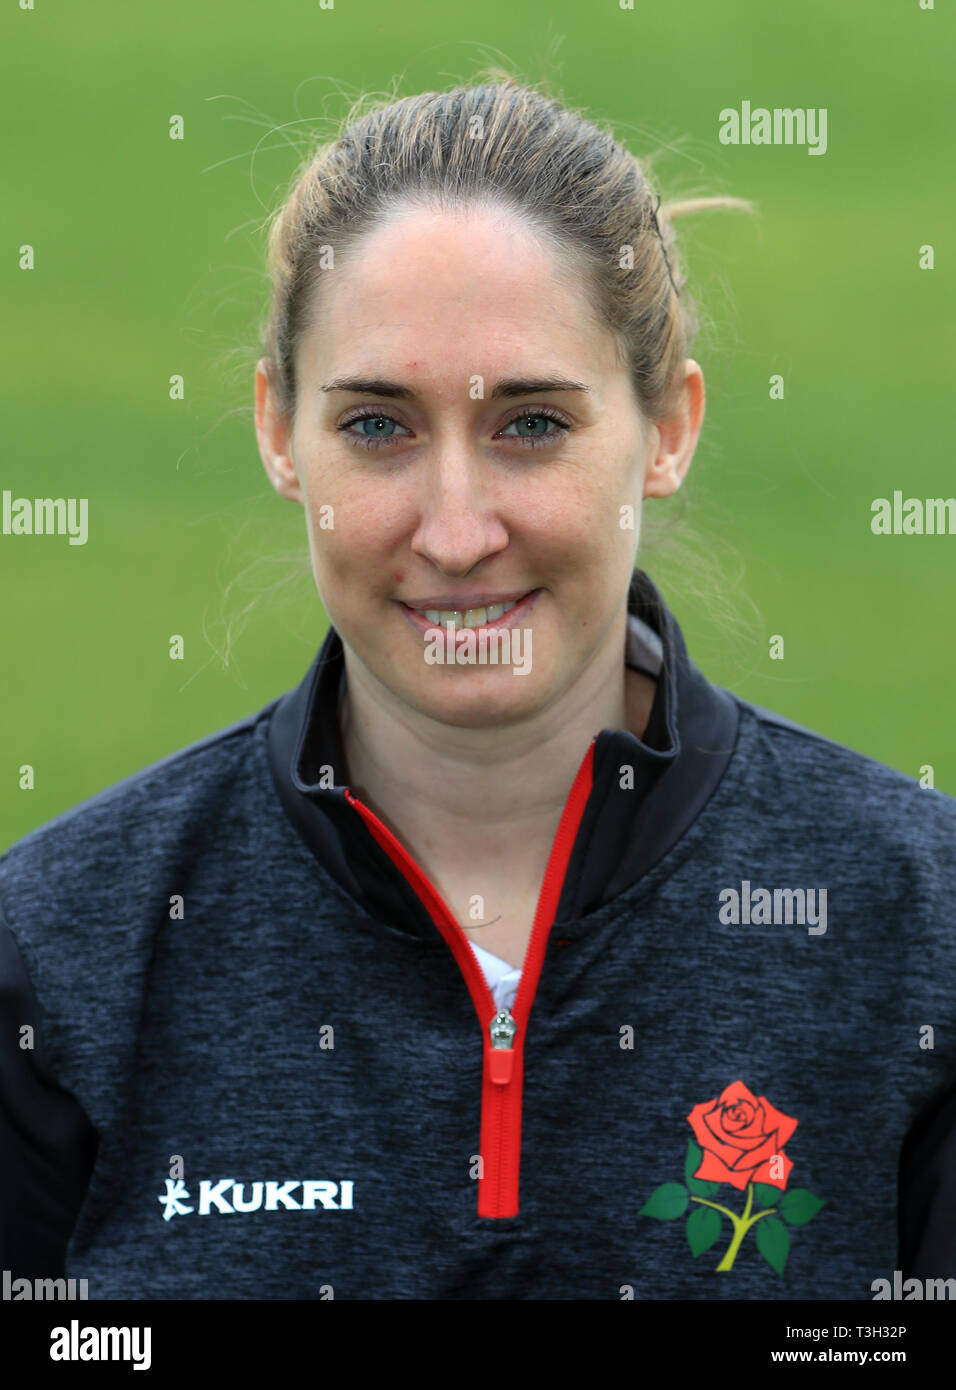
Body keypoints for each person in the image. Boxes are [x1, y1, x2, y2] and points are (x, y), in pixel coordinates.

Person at [1, 74, 954, 1301]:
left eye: (532, 425)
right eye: (379, 428)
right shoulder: (59, 954)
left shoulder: (920, 934)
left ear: (666, 429)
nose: (455, 533)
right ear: (279, 433)